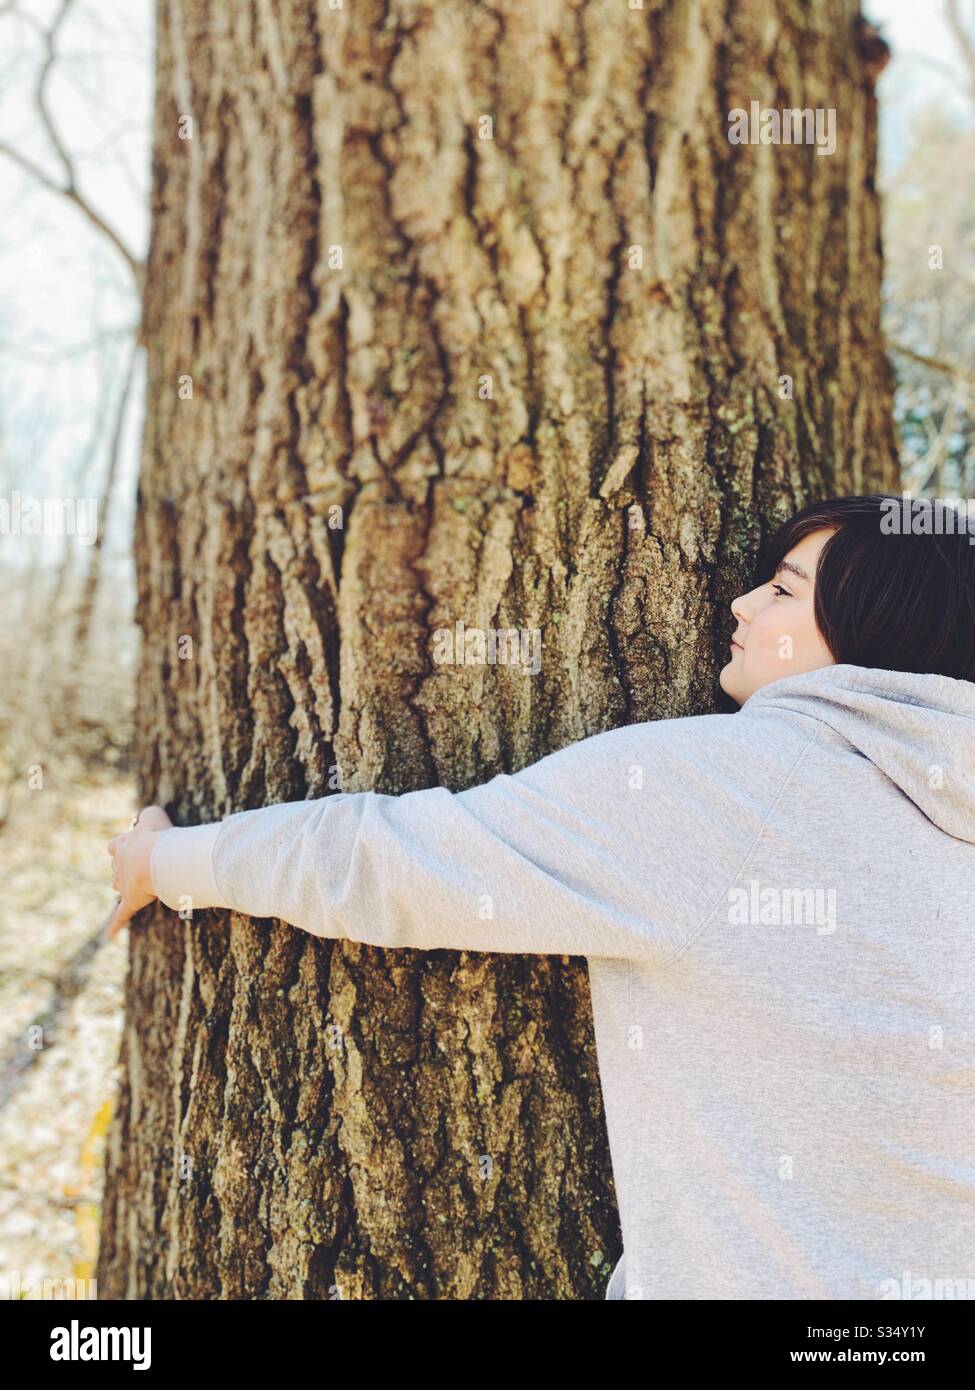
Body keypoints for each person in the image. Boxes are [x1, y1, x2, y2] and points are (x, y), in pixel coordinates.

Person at [107, 493, 975, 1300]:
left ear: (878, 625)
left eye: (783, 591)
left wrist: (167, 861)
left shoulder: (740, 790)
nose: (743, 605)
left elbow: (396, 862)